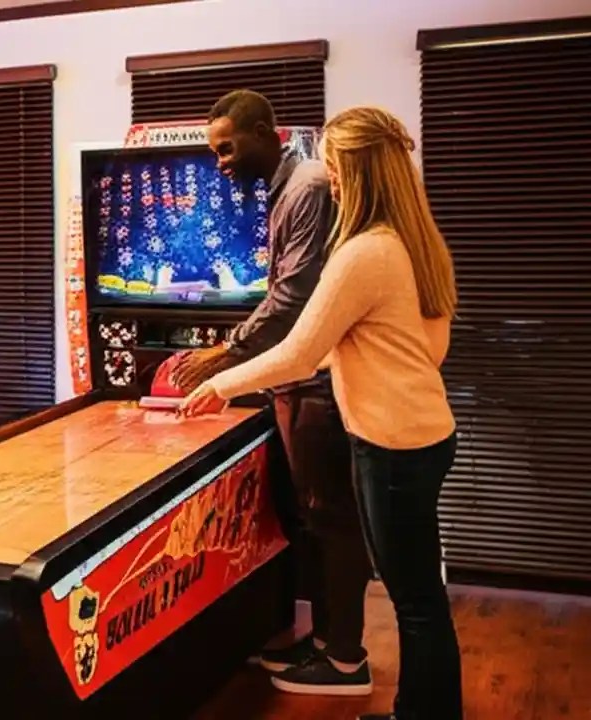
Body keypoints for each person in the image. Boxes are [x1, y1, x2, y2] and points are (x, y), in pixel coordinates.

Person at [179, 105, 462, 720]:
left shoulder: (364, 254)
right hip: (429, 437)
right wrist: (357, 355)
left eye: (333, 167)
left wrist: (221, 383)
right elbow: (425, 348)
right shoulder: (417, 242)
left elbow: (299, 351)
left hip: (391, 447)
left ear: (356, 171)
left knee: (415, 603)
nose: (325, 179)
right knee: (422, 597)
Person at [170, 89, 374, 696]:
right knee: (315, 517)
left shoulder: (307, 186)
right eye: (214, 151)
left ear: (266, 131)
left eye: (226, 147)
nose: (220, 162)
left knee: (332, 520)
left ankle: (344, 661)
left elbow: (293, 299)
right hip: (297, 382)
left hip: (316, 386)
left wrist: (226, 352)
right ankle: (325, 644)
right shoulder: (291, 189)